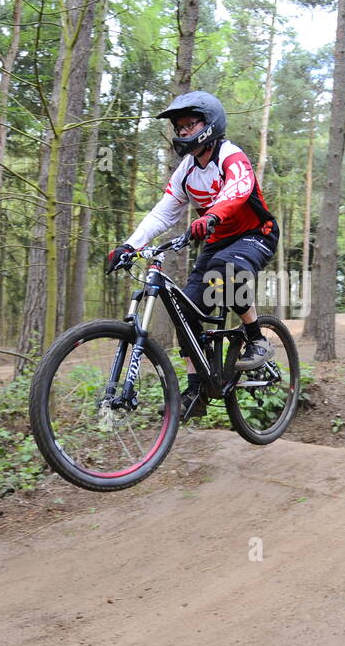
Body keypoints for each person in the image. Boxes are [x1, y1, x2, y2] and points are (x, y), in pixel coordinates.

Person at [106, 90, 280, 422]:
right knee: (186, 310)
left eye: (189, 125)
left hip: (255, 233)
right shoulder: (187, 169)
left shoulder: (230, 156)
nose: (183, 132)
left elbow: (239, 190)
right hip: (215, 240)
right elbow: (164, 213)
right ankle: (197, 390)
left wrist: (212, 216)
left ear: (209, 124)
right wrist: (129, 245)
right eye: (180, 127)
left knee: (229, 270)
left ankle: (257, 340)